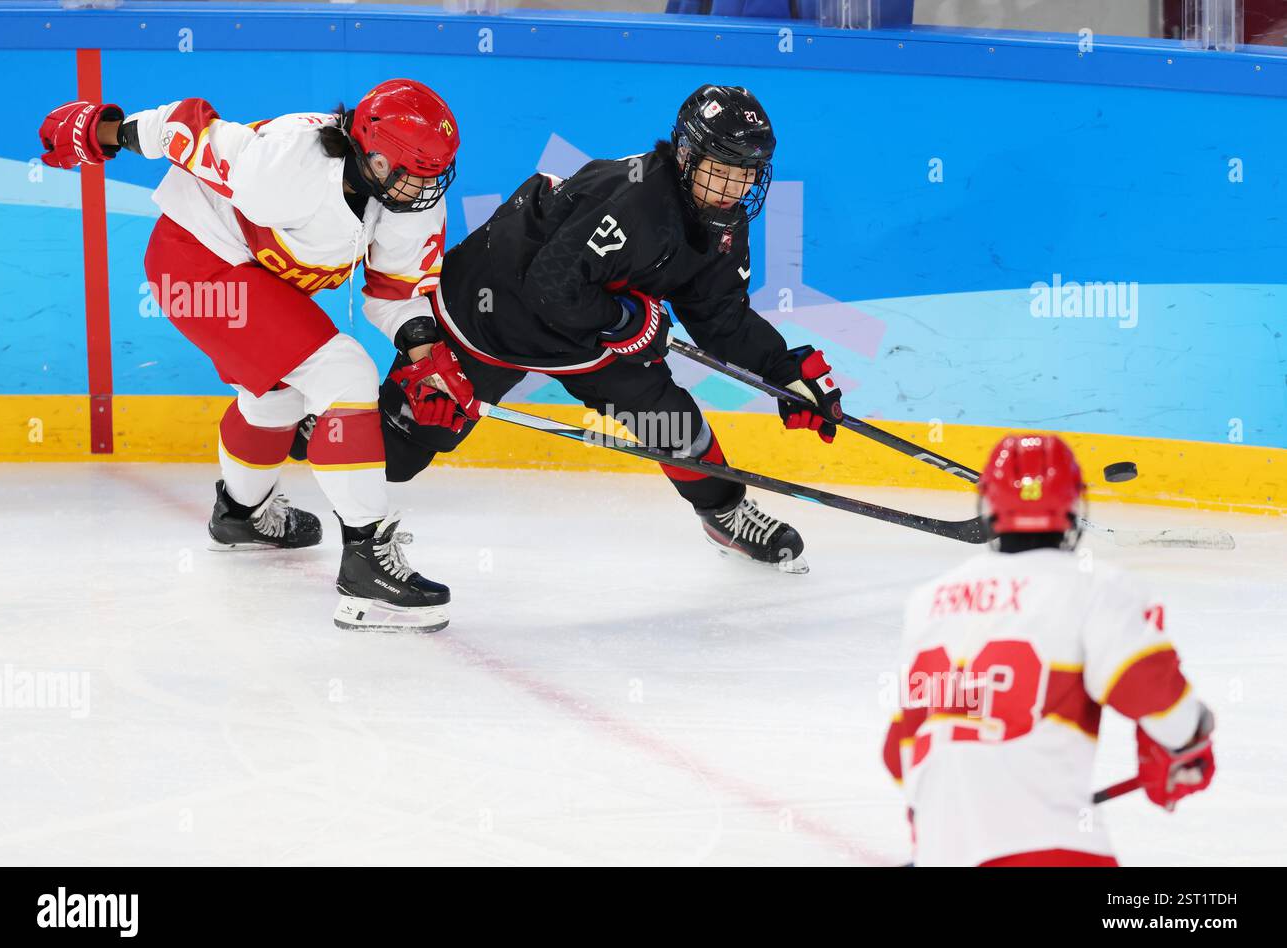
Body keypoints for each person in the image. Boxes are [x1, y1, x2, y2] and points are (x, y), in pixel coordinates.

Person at [38, 80, 458, 633]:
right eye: (407, 173)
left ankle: (241, 516)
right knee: (345, 371)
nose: (420, 190)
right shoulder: (287, 161)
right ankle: (365, 566)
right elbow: (186, 128)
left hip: (261, 278)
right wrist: (106, 131)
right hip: (194, 263)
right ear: (368, 153)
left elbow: (394, 293)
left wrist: (426, 358)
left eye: (431, 176)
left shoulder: (407, 195)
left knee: (277, 394)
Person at [377, 84, 844, 577]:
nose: (733, 189)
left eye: (745, 175)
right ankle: (304, 432)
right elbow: (551, 287)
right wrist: (624, 320)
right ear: (685, 155)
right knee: (403, 450)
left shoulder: (722, 222)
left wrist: (780, 369)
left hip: (587, 331)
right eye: (721, 172)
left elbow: (719, 316)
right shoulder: (633, 196)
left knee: (670, 419)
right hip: (493, 313)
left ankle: (723, 513)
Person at [883, 434, 1216, 866]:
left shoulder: (927, 601)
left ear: (988, 506)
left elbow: (896, 752)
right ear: (1075, 507)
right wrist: (1189, 739)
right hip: (1054, 851)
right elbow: (1167, 714)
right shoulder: (1095, 587)